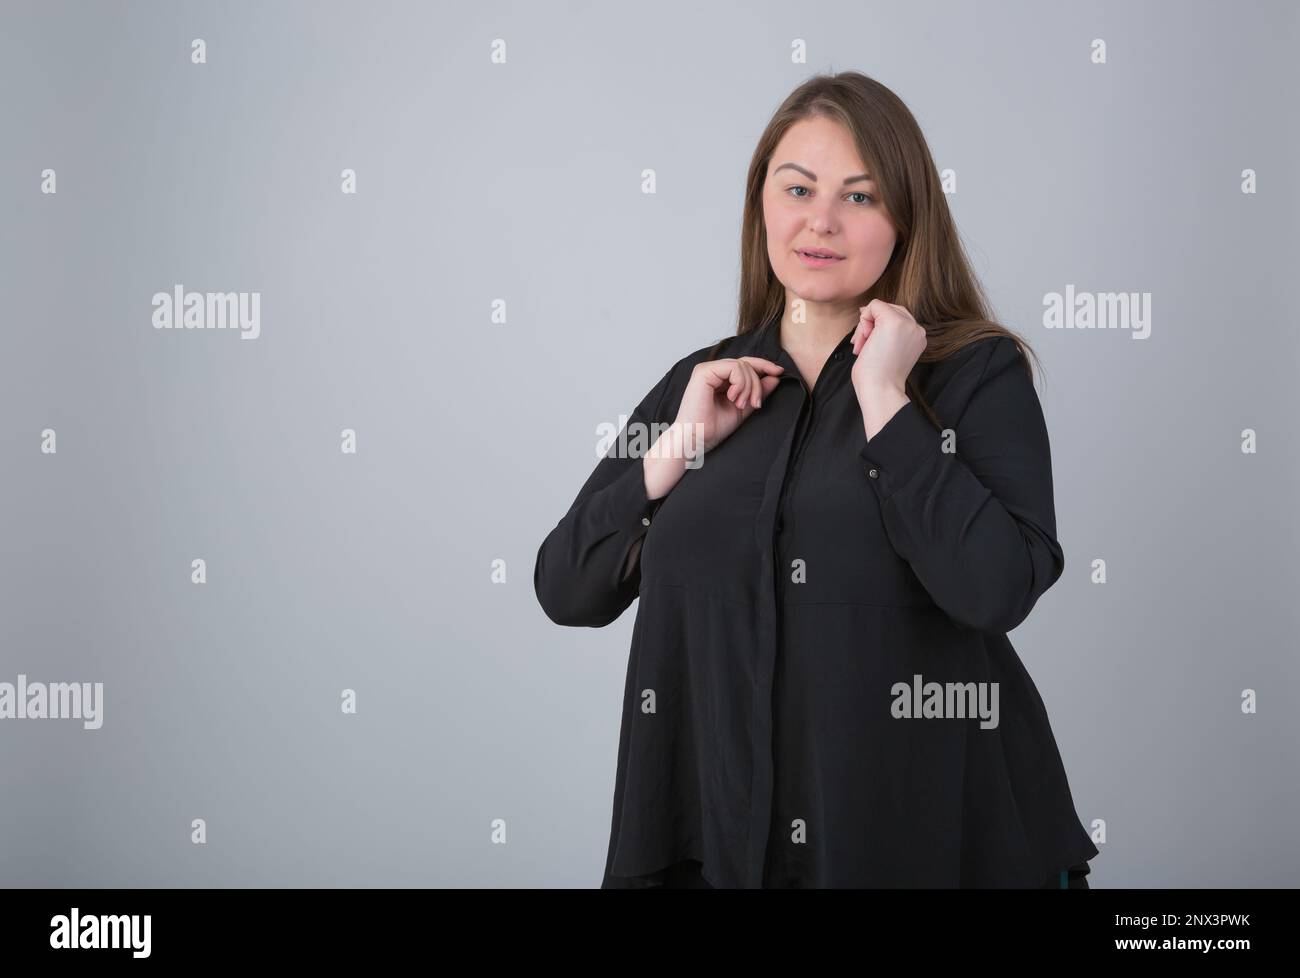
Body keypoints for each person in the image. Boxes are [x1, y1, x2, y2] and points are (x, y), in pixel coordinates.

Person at [534, 71, 1097, 889]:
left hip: (928, 842)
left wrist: (886, 402)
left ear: (905, 220)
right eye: (796, 188)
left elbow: (996, 589)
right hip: (715, 848)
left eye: (860, 198)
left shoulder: (975, 373)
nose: (820, 221)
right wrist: (675, 452)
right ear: (762, 200)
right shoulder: (701, 381)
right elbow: (566, 588)